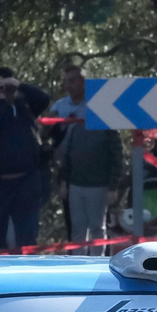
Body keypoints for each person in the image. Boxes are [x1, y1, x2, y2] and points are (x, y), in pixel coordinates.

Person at [0, 67, 51, 252]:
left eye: (8, 84)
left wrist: (20, 87)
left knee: (27, 238)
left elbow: (44, 99)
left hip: (27, 181)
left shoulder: (26, 107)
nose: (5, 88)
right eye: (0, 84)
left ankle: (27, 269)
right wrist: (1, 101)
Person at [51, 65, 121, 245]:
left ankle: (99, 261)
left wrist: (113, 185)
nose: (68, 85)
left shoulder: (99, 108)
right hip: (72, 179)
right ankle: (76, 260)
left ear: (83, 82)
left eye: (72, 81)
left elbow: (115, 149)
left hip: (98, 182)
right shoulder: (59, 107)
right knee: (76, 229)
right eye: (66, 82)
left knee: (98, 228)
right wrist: (64, 179)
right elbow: (57, 143)